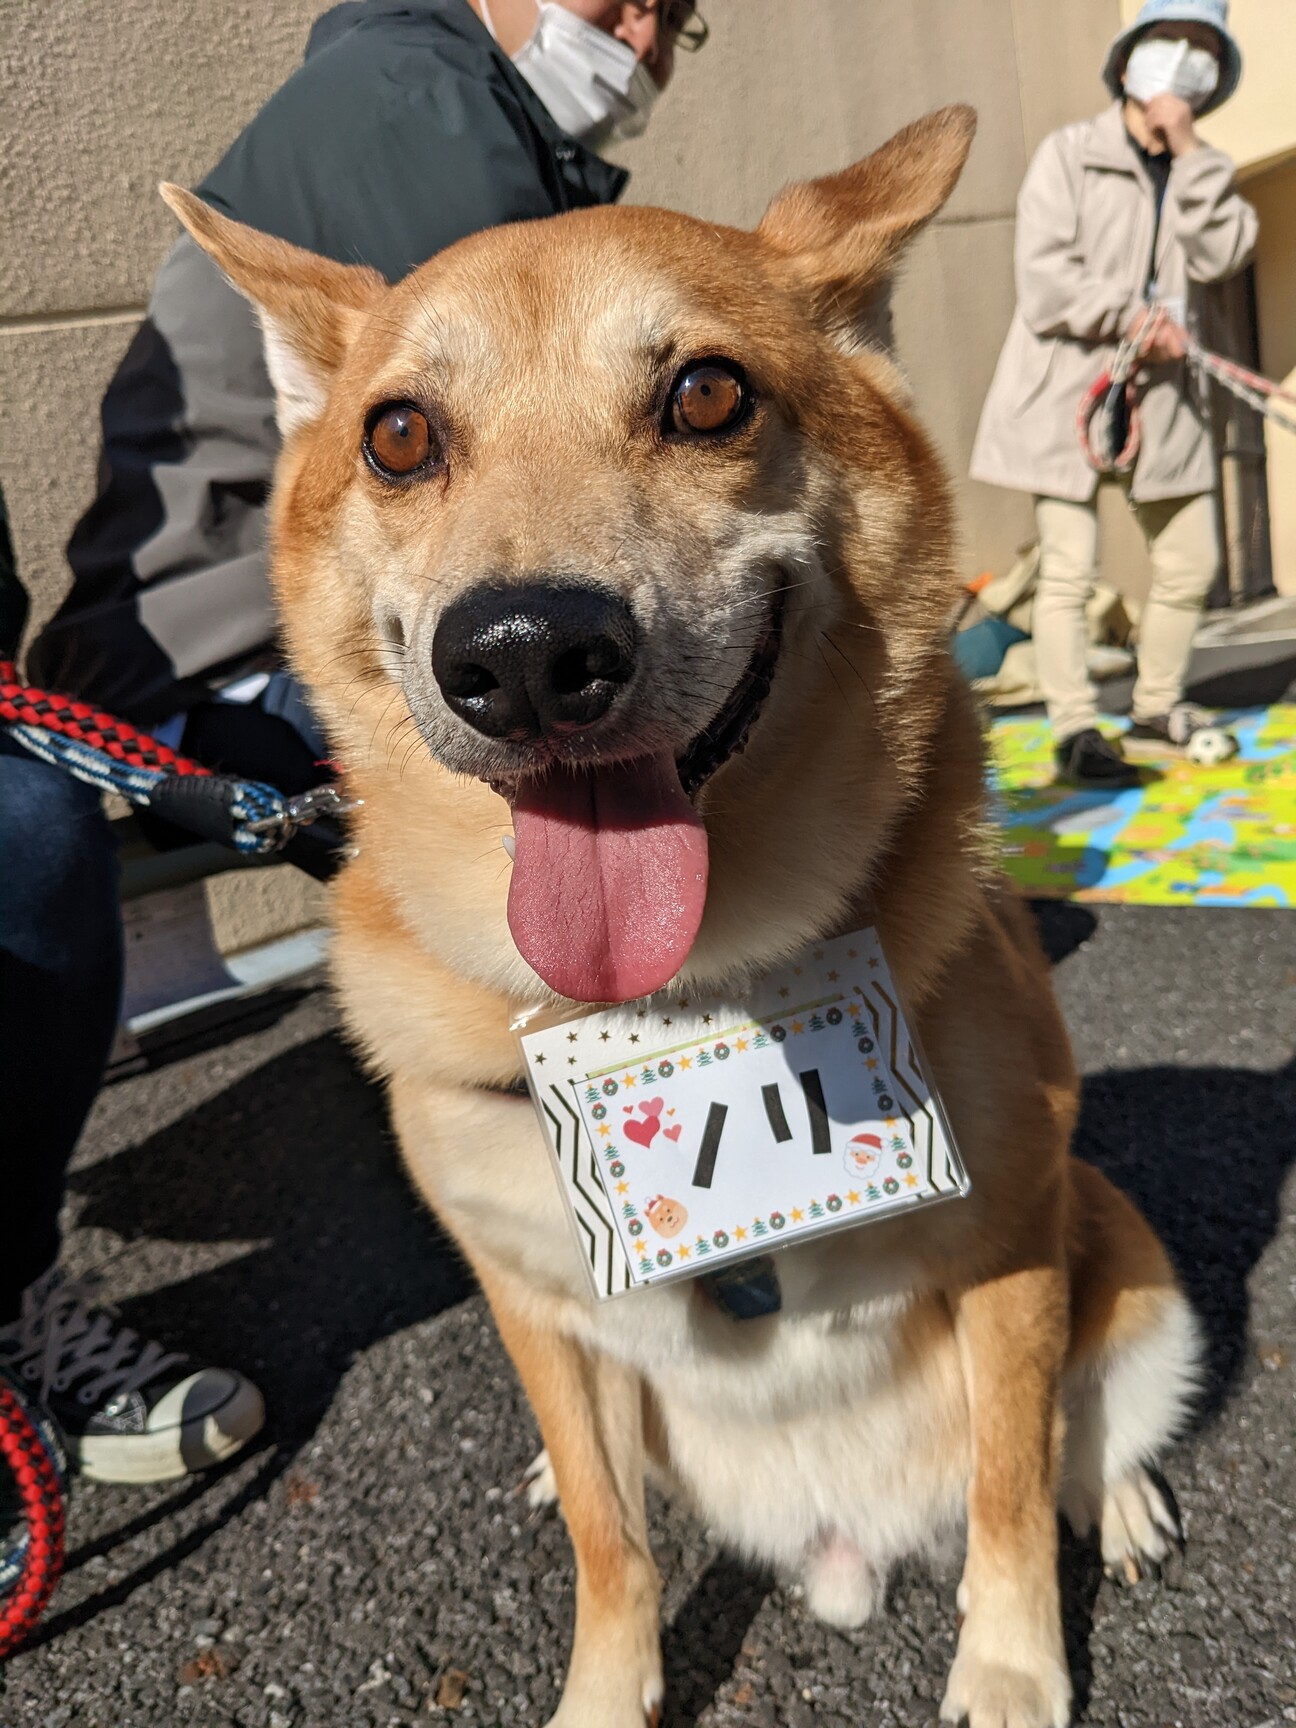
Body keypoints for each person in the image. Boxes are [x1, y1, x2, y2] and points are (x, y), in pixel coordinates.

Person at [2, 0, 698, 1487]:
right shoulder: (417, 109)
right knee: (557, 788)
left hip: (247, 645)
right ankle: (649, 1248)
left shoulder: (491, 122)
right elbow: (532, 459)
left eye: (668, 13)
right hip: (207, 670)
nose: (635, 30)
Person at [970, 0, 1257, 787]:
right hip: (1070, 394)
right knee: (1069, 566)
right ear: (1132, 58)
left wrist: (1191, 148)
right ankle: (1073, 728)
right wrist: (1133, 315)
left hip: (1164, 404)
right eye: (1176, 42)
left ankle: (1158, 702)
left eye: (1206, 50)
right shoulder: (1069, 155)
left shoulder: (1204, 166)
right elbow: (1044, 281)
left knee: (1190, 559)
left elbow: (1227, 249)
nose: (1188, 60)